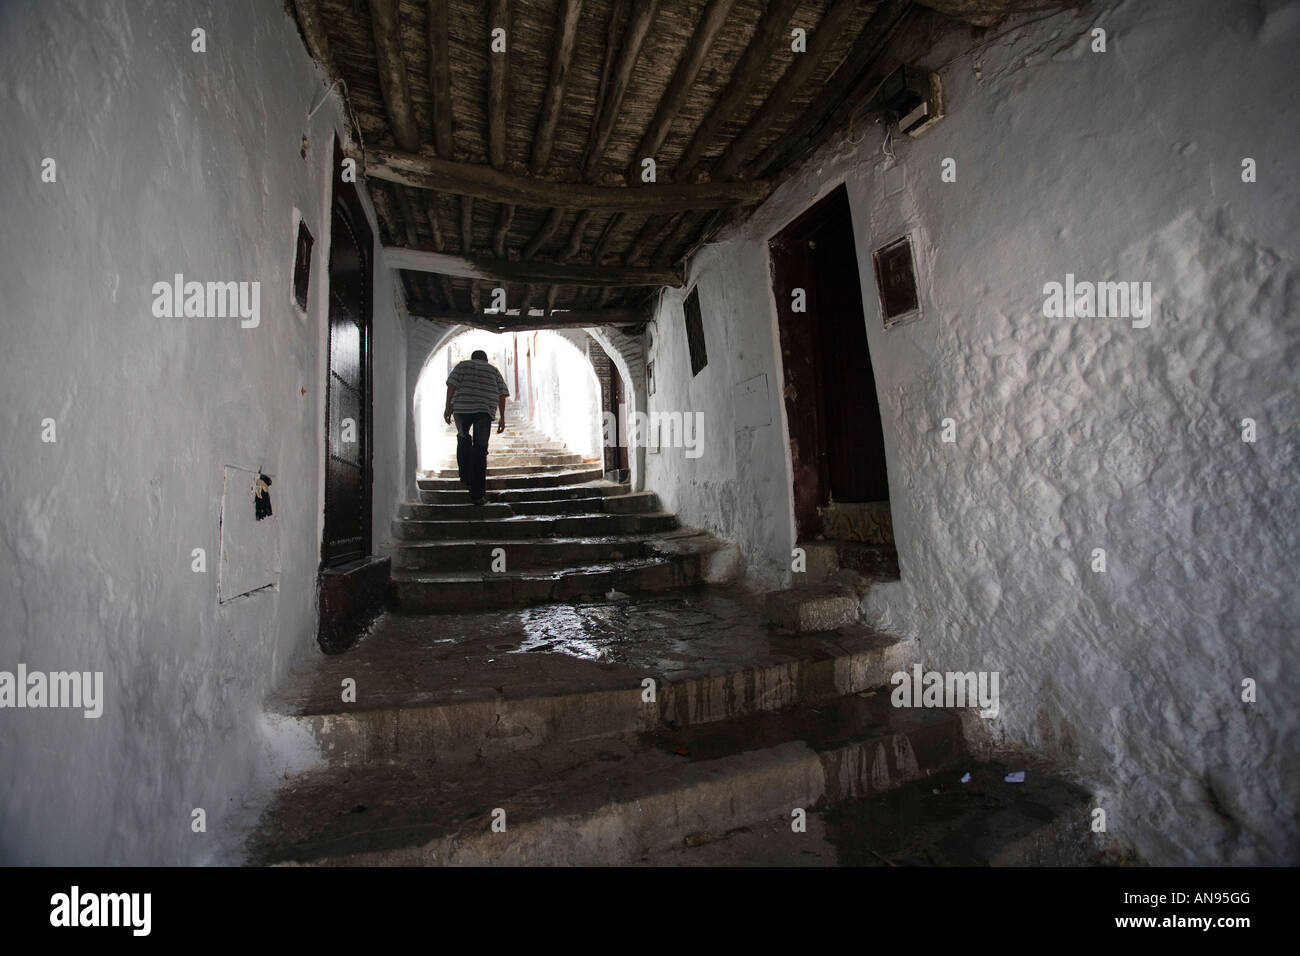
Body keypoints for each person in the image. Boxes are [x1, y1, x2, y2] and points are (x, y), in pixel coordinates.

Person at [443, 349, 509, 506]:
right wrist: (502, 418)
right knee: (480, 450)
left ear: (472, 358)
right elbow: (502, 394)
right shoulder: (493, 370)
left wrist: (447, 407)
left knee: (463, 439)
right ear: (486, 359)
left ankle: (465, 476)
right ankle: (477, 495)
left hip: (462, 409)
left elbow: (451, 385)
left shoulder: (462, 366)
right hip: (484, 411)